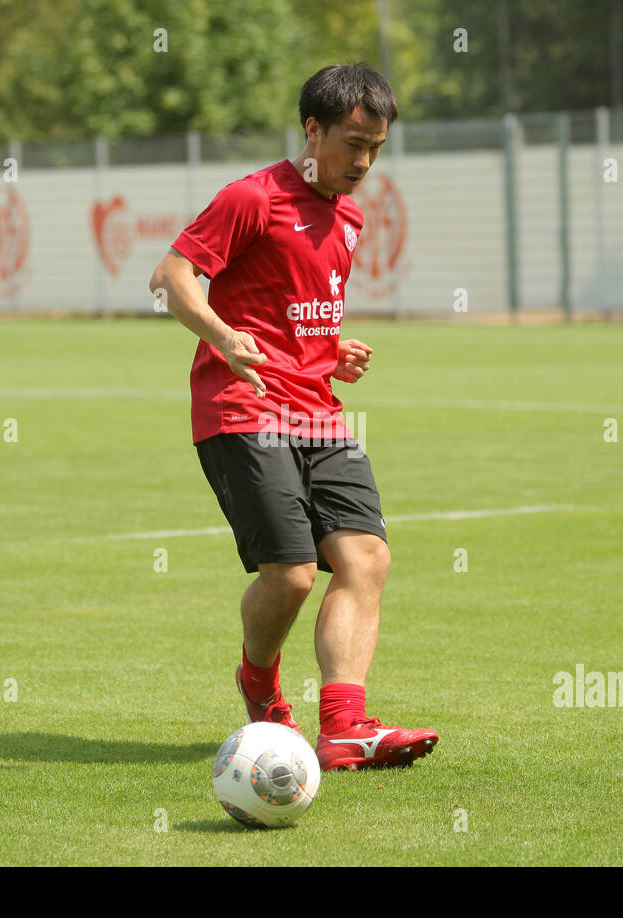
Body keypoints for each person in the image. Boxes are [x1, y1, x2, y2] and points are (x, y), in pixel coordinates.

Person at [148, 63, 437, 771]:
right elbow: (170, 278)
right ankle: (259, 680)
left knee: (366, 557)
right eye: (351, 143)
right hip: (241, 408)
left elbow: (292, 306)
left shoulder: (350, 214)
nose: (364, 162)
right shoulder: (252, 197)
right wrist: (222, 336)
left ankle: (344, 728)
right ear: (312, 130)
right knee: (294, 574)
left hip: (319, 411)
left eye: (376, 147)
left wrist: (331, 350)